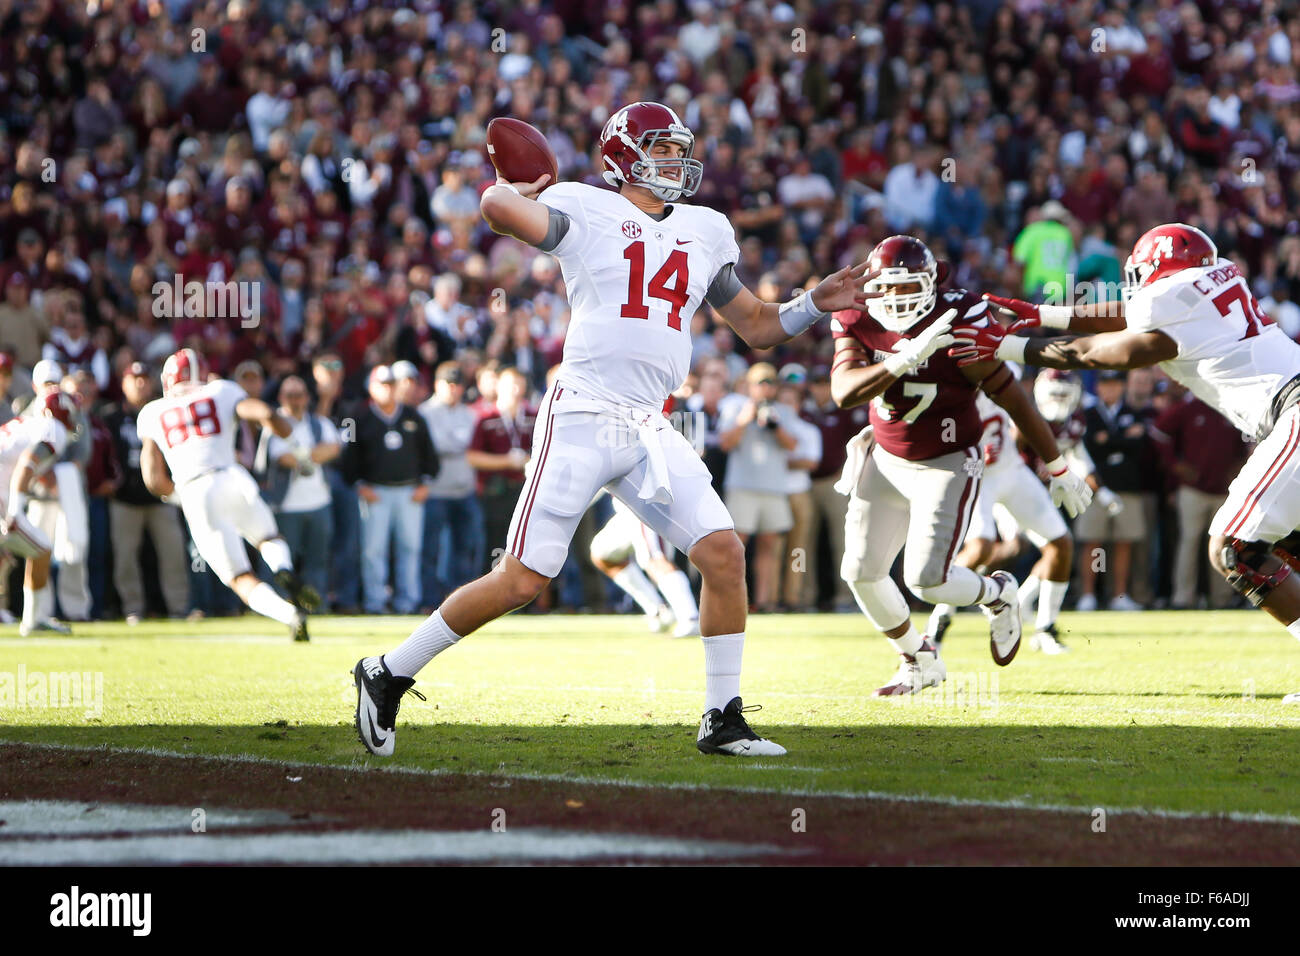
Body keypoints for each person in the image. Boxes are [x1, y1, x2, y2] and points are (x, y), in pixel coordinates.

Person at [354, 101, 868, 757]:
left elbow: (759, 327)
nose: (675, 161)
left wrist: (812, 304)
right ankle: (390, 671)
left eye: (679, 149)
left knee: (723, 554)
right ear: (622, 156)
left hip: (649, 424)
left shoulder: (707, 228)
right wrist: (518, 186)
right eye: (660, 148)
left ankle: (722, 718)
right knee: (522, 579)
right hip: (584, 413)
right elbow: (495, 209)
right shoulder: (586, 206)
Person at [953, 222, 1300, 704]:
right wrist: (1043, 314)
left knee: (1234, 548)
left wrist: (1008, 347)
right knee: (1283, 547)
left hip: (1294, 414)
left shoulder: (1174, 300)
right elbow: (1129, 316)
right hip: (1288, 408)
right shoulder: (1214, 278)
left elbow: (1109, 352)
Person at [830, 235, 1091, 696]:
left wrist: (1057, 465)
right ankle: (919, 659)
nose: (896, 298)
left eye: (908, 286)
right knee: (859, 572)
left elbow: (1012, 397)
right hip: (886, 457)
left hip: (948, 460)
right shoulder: (856, 312)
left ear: (931, 284)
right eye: (887, 287)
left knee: (927, 580)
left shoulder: (961, 317)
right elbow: (844, 391)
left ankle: (997, 593)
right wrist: (904, 358)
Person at [137, 348, 317, 640]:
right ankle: (283, 568)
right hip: (232, 476)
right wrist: (299, 450)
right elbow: (266, 413)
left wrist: (178, 496)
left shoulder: (152, 412)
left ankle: (289, 614)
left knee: (239, 576)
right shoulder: (222, 391)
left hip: (193, 489)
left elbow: (153, 479)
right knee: (269, 538)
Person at [341, 364, 439, 615]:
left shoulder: (413, 417)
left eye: (391, 384)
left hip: (409, 493)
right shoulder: (358, 417)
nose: (388, 389)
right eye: (382, 384)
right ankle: (375, 602)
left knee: (410, 548)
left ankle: (408, 602)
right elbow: (348, 457)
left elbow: (430, 455)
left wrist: (425, 483)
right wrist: (359, 485)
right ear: (371, 388)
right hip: (376, 493)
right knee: (373, 550)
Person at [102, 362, 190, 623]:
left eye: (144, 378)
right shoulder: (111, 417)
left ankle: (179, 607)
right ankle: (133, 608)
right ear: (123, 383)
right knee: (125, 557)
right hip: (125, 498)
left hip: (163, 496)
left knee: (173, 553)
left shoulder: (163, 411)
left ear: (152, 383)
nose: (140, 383)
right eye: (134, 378)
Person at [717, 363, 797, 612]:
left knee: (769, 548)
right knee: (736, 547)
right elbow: (725, 443)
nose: (765, 388)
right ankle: (733, 600)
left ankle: (764, 601)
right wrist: (745, 419)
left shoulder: (784, 410)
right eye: (760, 383)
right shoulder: (735, 406)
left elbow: (792, 445)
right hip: (743, 486)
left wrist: (775, 426)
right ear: (749, 386)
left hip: (773, 488)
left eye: (769, 383)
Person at [0, 391, 81, 635]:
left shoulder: (26, 424)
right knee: (42, 547)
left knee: (7, 557)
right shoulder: (52, 427)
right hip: (3, 499)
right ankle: (34, 620)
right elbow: (28, 462)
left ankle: (34, 619)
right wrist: (16, 509)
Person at [260, 375, 341, 608]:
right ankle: (277, 607)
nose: (295, 400)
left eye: (299, 395)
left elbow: (334, 448)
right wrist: (312, 455)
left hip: (319, 503)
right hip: (285, 506)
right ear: (281, 398)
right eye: (289, 395)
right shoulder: (273, 425)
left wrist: (302, 456)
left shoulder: (318, 423)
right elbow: (282, 458)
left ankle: (317, 605)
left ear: (307, 397)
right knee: (282, 563)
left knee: (318, 561)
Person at [416, 361, 483, 608]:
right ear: (437, 384)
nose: (454, 389)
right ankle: (429, 601)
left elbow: (466, 445)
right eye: (449, 383)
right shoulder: (424, 413)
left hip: (465, 490)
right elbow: (439, 446)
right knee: (430, 550)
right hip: (435, 490)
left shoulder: (470, 413)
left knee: (465, 550)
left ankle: (460, 604)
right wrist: (459, 445)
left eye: (458, 385)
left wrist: (455, 445)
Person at [590, 494, 701, 636]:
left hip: (647, 501)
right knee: (602, 553)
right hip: (628, 510)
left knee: (655, 559)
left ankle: (690, 617)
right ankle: (659, 611)